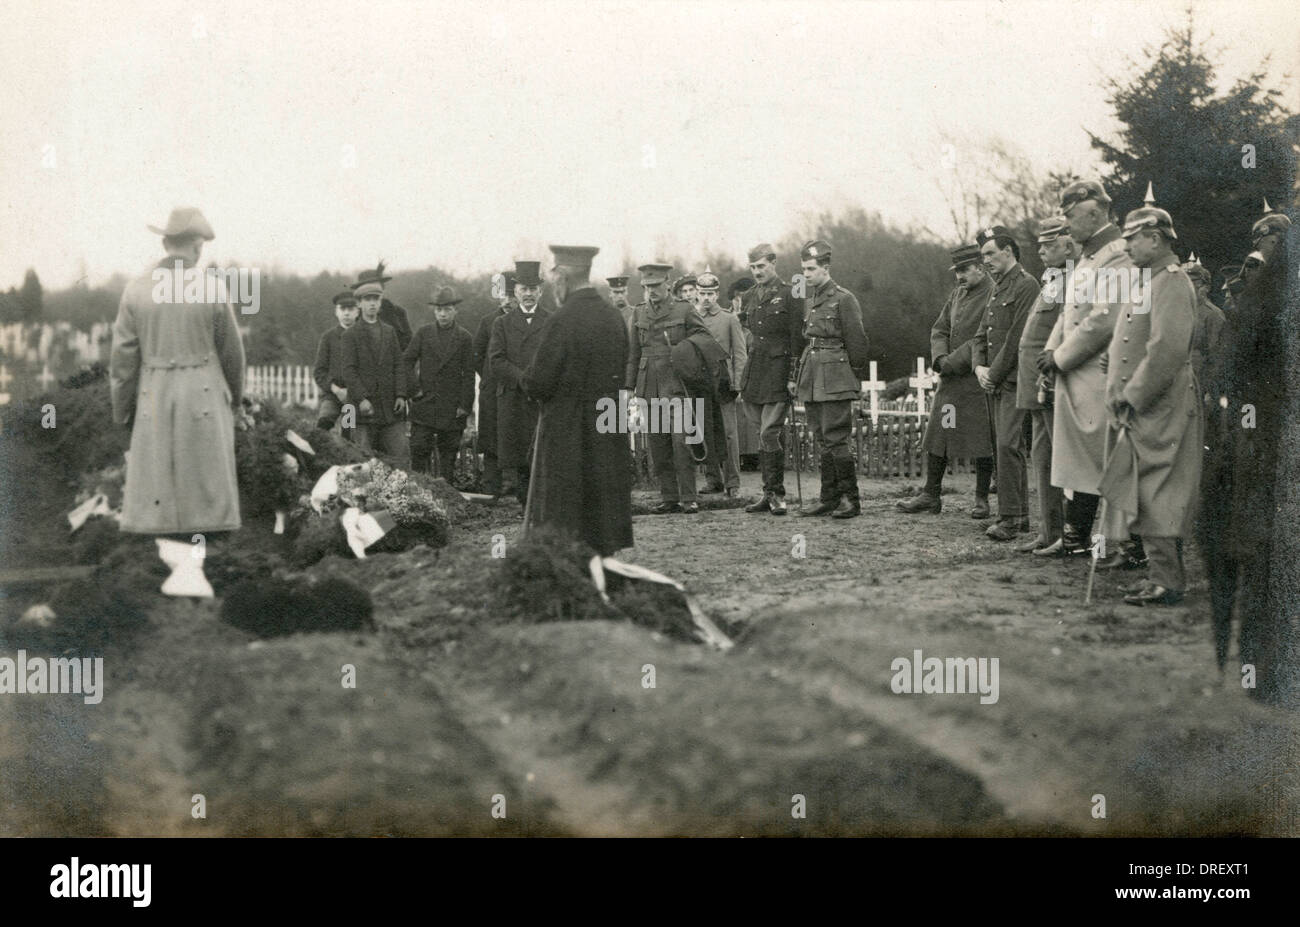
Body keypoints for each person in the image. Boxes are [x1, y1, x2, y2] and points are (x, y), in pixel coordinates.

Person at [1199, 201, 1293, 700]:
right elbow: (1229, 366)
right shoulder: (1261, 295)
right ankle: (1262, 674)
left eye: (1273, 241)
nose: (1267, 249)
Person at [110, 206, 245, 536]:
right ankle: (208, 539)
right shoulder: (212, 288)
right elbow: (232, 353)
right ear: (197, 246)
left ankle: (158, 540)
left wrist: (121, 411)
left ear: (165, 244)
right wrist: (236, 399)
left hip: (153, 391)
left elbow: (123, 362)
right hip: (204, 391)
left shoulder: (136, 290)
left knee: (158, 472)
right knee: (205, 475)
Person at [1103, 200, 1202, 606]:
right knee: (1147, 487)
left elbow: (1167, 349)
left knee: (1161, 488)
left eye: (1133, 239)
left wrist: (1133, 394)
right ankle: (1159, 574)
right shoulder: (1149, 280)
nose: (1126, 247)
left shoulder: (1173, 282)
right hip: (1143, 404)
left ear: (1156, 238)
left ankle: (1167, 581)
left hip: (1160, 402)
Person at [1038, 179, 1139, 568]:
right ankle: (1076, 536)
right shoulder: (1087, 256)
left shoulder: (1117, 254)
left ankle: (1131, 545)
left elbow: (1104, 318)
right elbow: (1069, 312)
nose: (1066, 224)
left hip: (1096, 371)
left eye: (1071, 215)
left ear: (1095, 212)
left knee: (1107, 456)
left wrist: (1060, 357)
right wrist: (1051, 349)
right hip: (1074, 372)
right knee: (1082, 460)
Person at [522, 246, 633, 554]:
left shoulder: (561, 320)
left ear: (564, 277)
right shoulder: (614, 318)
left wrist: (525, 380)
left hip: (569, 432)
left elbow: (539, 381)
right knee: (604, 511)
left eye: (554, 275)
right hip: (608, 427)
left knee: (569, 514)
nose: (552, 283)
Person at [898, 245, 995, 516]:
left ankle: (981, 498)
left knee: (982, 438)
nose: (959, 276)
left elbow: (982, 336)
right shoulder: (957, 295)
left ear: (981, 267)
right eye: (957, 271)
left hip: (977, 378)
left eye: (965, 270)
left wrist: (951, 363)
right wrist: (939, 358)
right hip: (950, 382)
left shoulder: (993, 294)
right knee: (940, 433)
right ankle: (931, 494)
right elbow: (939, 329)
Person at [1013, 217, 1076, 554]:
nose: (1040, 250)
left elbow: (1068, 329)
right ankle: (1048, 531)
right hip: (1035, 380)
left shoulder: (1074, 280)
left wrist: (1051, 370)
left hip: (1050, 378)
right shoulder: (1053, 279)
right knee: (1043, 456)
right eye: (1039, 244)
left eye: (1048, 245)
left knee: (1061, 457)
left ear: (1067, 244)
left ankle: (1068, 535)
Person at [794, 239, 869, 519]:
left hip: (835, 376)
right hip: (813, 374)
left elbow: (858, 344)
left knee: (836, 437)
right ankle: (828, 498)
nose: (806, 274)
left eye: (811, 268)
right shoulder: (811, 300)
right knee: (821, 438)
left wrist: (850, 377)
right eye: (803, 269)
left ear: (826, 268)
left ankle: (851, 499)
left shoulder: (844, 299)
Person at [973, 225, 1040, 541]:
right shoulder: (996, 288)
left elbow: (1018, 337)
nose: (984, 260)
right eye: (982, 254)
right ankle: (1018, 516)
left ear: (1008, 251)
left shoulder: (1026, 286)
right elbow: (980, 335)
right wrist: (978, 369)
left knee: (1007, 445)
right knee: (1004, 447)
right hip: (994, 380)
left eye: (989, 253)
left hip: (1012, 379)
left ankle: (1011, 519)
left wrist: (993, 374)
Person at [625, 261, 709, 514]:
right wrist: (629, 387)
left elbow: (703, 338)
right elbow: (633, 353)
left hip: (676, 384)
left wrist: (682, 352)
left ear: (668, 285)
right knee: (657, 445)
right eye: (647, 286)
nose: (651, 290)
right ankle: (669, 497)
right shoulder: (639, 313)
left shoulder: (683, 310)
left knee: (681, 443)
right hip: (648, 384)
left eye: (656, 285)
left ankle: (688, 497)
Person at [739, 245, 802, 515]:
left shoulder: (790, 293)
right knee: (761, 435)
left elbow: (798, 338)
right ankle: (768, 494)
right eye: (753, 267)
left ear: (773, 264)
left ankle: (778, 495)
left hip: (778, 371)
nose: (757, 272)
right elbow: (748, 332)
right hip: (756, 371)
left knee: (769, 432)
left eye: (761, 266)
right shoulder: (749, 296)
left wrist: (793, 376)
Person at [488, 260, 551, 505]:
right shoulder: (501, 324)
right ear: (515, 291)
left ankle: (543, 506)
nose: (528, 294)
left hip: (540, 396)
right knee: (520, 456)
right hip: (514, 396)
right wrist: (522, 378)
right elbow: (496, 361)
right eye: (523, 289)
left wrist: (539, 380)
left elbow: (556, 357)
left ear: (540, 291)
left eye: (533, 289)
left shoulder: (551, 321)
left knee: (542, 452)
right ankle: (525, 506)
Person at [404, 285, 475, 479]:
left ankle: (446, 495)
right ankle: (418, 493)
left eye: (447, 310)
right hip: (425, 403)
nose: (443, 314)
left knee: (449, 453)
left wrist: (464, 405)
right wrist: (414, 390)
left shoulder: (464, 338)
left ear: (455, 311)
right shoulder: (423, 333)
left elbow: (469, 373)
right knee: (418, 449)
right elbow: (406, 361)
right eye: (439, 310)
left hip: (451, 407)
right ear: (434, 311)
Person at [342, 272, 410, 465]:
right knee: (362, 461)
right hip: (363, 411)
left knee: (402, 458)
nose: (372, 303)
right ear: (359, 304)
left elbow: (398, 364)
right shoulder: (350, 335)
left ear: (380, 303)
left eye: (376, 299)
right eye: (367, 299)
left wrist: (400, 394)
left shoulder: (389, 332)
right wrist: (362, 398)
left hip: (390, 408)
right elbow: (349, 371)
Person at [695, 268, 748, 496]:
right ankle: (713, 480)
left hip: (723, 384)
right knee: (706, 432)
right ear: (697, 294)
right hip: (700, 384)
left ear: (717, 295)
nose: (706, 298)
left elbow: (740, 354)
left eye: (710, 294)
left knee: (728, 434)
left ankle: (733, 483)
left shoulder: (729, 319)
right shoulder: (692, 317)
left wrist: (738, 384)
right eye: (702, 293)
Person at [473, 270, 514, 496]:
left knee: (517, 436)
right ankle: (491, 487)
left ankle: (516, 486)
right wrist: (489, 376)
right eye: (504, 295)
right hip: (491, 391)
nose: (508, 301)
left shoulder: (525, 323)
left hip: (516, 390)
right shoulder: (488, 322)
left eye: (512, 295)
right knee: (491, 439)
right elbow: (476, 356)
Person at [313, 290, 360, 439]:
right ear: (336, 312)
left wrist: (351, 392)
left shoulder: (363, 336)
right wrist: (336, 390)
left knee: (348, 433)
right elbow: (319, 372)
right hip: (332, 394)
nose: (346, 313)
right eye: (342, 309)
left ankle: (348, 458)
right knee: (323, 425)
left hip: (353, 397)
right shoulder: (328, 338)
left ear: (357, 311)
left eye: (350, 309)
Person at [1181, 256, 1225, 403]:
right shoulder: (1178, 312)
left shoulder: (1213, 314)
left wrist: (1209, 390)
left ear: (1205, 287)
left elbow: (1216, 358)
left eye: (1193, 283)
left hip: (1199, 386)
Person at [350, 260, 412, 352]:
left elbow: (408, 343)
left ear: (383, 289)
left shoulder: (398, 312)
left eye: (377, 288)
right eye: (368, 289)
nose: (373, 291)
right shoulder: (353, 315)